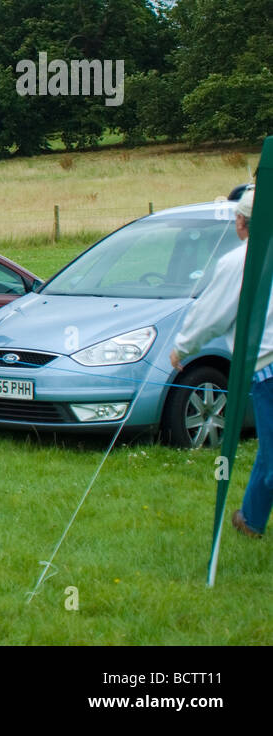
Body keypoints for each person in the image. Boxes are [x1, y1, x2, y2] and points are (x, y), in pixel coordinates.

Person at [169, 189, 273, 536]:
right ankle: (252, 520)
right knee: (269, 449)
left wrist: (182, 348)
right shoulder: (243, 260)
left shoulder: (239, 262)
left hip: (267, 369)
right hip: (266, 370)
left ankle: (251, 519)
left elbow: (211, 316)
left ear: (241, 223)